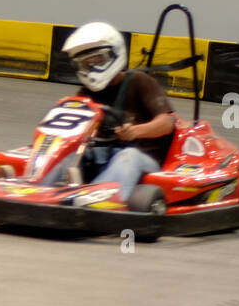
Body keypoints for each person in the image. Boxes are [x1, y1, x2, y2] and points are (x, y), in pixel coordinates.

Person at [40, 22, 177, 201]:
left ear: (114, 55)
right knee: (66, 151)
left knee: (128, 156)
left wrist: (134, 131)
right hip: (103, 154)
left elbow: (167, 123)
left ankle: (97, 201)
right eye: (86, 63)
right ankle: (40, 191)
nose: (92, 67)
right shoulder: (88, 91)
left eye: (97, 60)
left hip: (142, 158)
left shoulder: (139, 81)